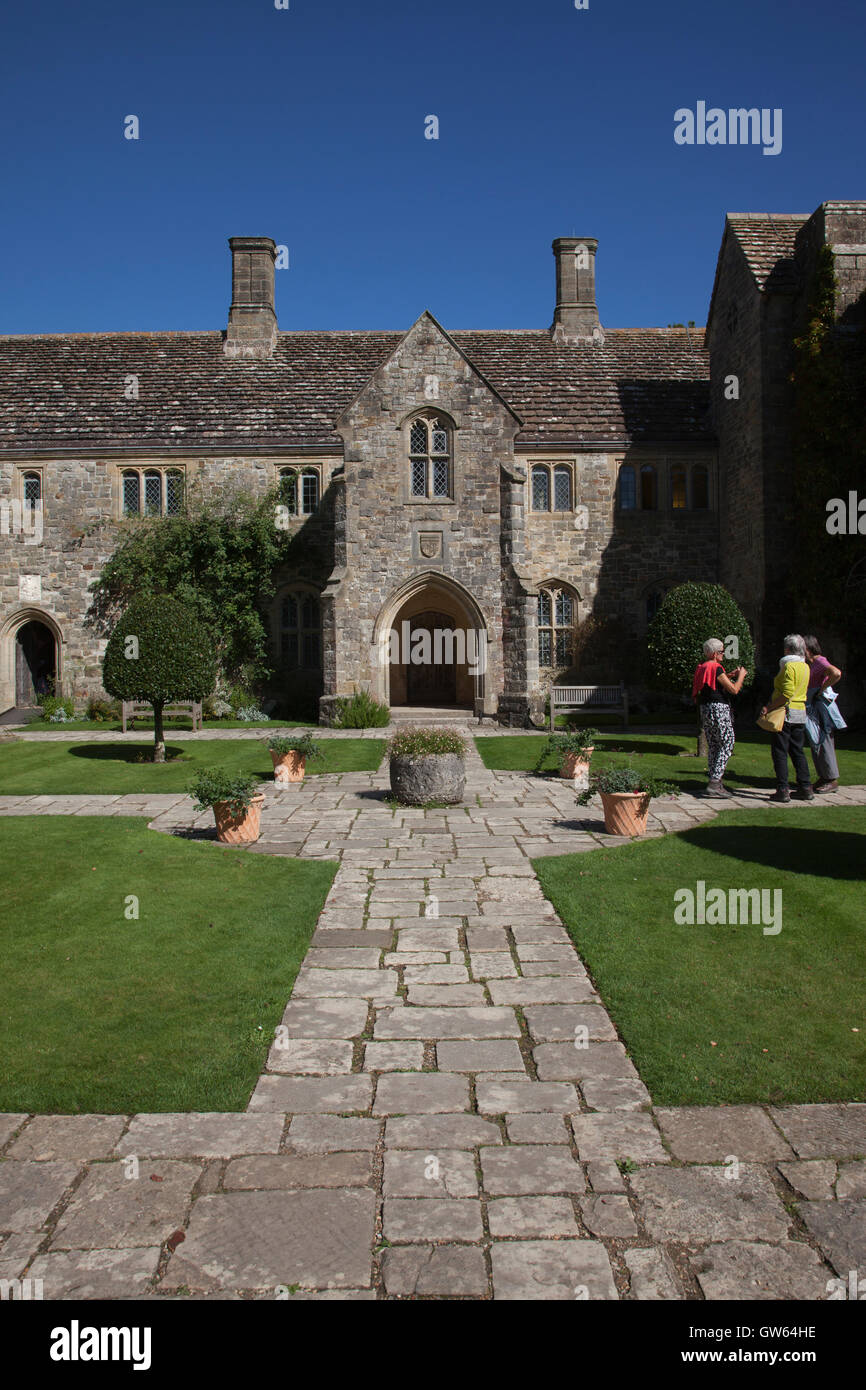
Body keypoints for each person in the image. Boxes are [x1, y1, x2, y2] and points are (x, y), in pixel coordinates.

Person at [761, 634, 813, 803]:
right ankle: (805, 787)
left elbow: (787, 693)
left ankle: (783, 789)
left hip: (786, 711)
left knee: (780, 751)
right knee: (797, 750)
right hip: (800, 711)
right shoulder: (805, 667)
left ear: (788, 649)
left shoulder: (789, 666)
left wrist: (770, 707)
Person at [692, 638, 746, 797]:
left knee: (715, 744)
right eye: (722, 651)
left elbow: (711, 683)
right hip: (718, 708)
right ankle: (715, 782)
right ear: (715, 654)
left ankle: (714, 779)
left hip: (706, 709)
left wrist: (728, 675)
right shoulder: (715, 667)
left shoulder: (703, 667)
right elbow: (734, 689)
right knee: (728, 742)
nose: (723, 654)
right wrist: (741, 676)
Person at [803, 635, 843, 794]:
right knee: (816, 740)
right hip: (813, 705)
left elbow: (836, 673)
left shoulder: (819, 661)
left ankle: (831, 779)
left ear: (808, 649)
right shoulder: (812, 663)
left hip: (820, 705)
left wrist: (822, 688)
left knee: (823, 739)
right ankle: (824, 776)